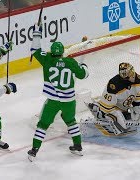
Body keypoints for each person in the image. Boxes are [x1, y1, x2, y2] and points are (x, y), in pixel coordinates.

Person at [27, 24, 89, 161]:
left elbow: (34, 48)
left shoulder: (47, 59)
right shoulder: (70, 62)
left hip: (53, 100)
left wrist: (37, 33)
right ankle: (78, 147)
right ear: (62, 52)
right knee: (71, 121)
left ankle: (34, 150)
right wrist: (83, 65)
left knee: (43, 124)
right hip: (69, 101)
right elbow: (84, 75)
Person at [87, 62, 140, 135]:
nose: (133, 76)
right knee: (116, 116)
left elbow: (139, 101)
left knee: (139, 112)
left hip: (123, 108)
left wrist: (138, 110)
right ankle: (97, 109)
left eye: (132, 72)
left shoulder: (138, 80)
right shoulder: (114, 84)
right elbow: (107, 107)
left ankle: (119, 115)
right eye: (129, 74)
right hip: (111, 107)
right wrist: (115, 116)